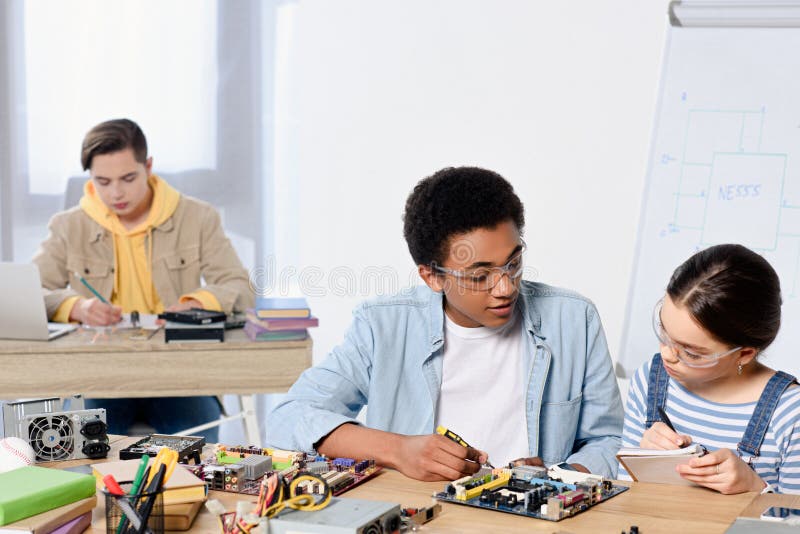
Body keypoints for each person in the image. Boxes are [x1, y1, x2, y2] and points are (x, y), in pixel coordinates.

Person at [266, 166, 623, 481]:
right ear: (432, 277)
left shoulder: (574, 319)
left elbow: (609, 440)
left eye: (513, 263)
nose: (505, 287)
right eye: (480, 275)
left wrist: (558, 477)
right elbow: (288, 418)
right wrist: (398, 450)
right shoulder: (384, 325)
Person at [33, 118, 254, 440]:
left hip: (180, 373)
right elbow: (27, 295)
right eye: (102, 181)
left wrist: (196, 305)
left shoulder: (198, 217)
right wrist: (76, 307)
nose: (116, 193)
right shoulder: (68, 226)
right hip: (100, 374)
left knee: (194, 457)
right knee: (93, 447)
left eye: (128, 178)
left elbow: (242, 288)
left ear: (148, 166)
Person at [619, 244, 800, 494]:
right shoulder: (651, 380)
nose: (667, 354)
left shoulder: (790, 413)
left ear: (744, 353)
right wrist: (642, 461)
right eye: (664, 331)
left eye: (691, 353)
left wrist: (754, 487)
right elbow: (622, 496)